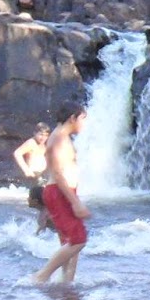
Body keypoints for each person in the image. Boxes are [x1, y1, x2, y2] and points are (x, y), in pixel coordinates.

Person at [32, 103, 91, 285]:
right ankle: (41, 276)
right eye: (83, 119)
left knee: (69, 242)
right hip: (59, 192)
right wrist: (75, 202)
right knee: (78, 240)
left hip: (62, 191)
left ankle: (66, 283)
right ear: (72, 118)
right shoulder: (58, 138)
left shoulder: (62, 136)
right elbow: (58, 173)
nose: (84, 124)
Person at [14, 122, 52, 232]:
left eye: (45, 135)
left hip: (42, 175)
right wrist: (25, 169)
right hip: (34, 176)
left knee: (47, 205)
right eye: (40, 134)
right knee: (45, 205)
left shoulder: (45, 144)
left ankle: (44, 228)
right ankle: (40, 231)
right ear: (34, 133)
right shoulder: (31, 143)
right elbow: (17, 153)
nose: (43, 137)